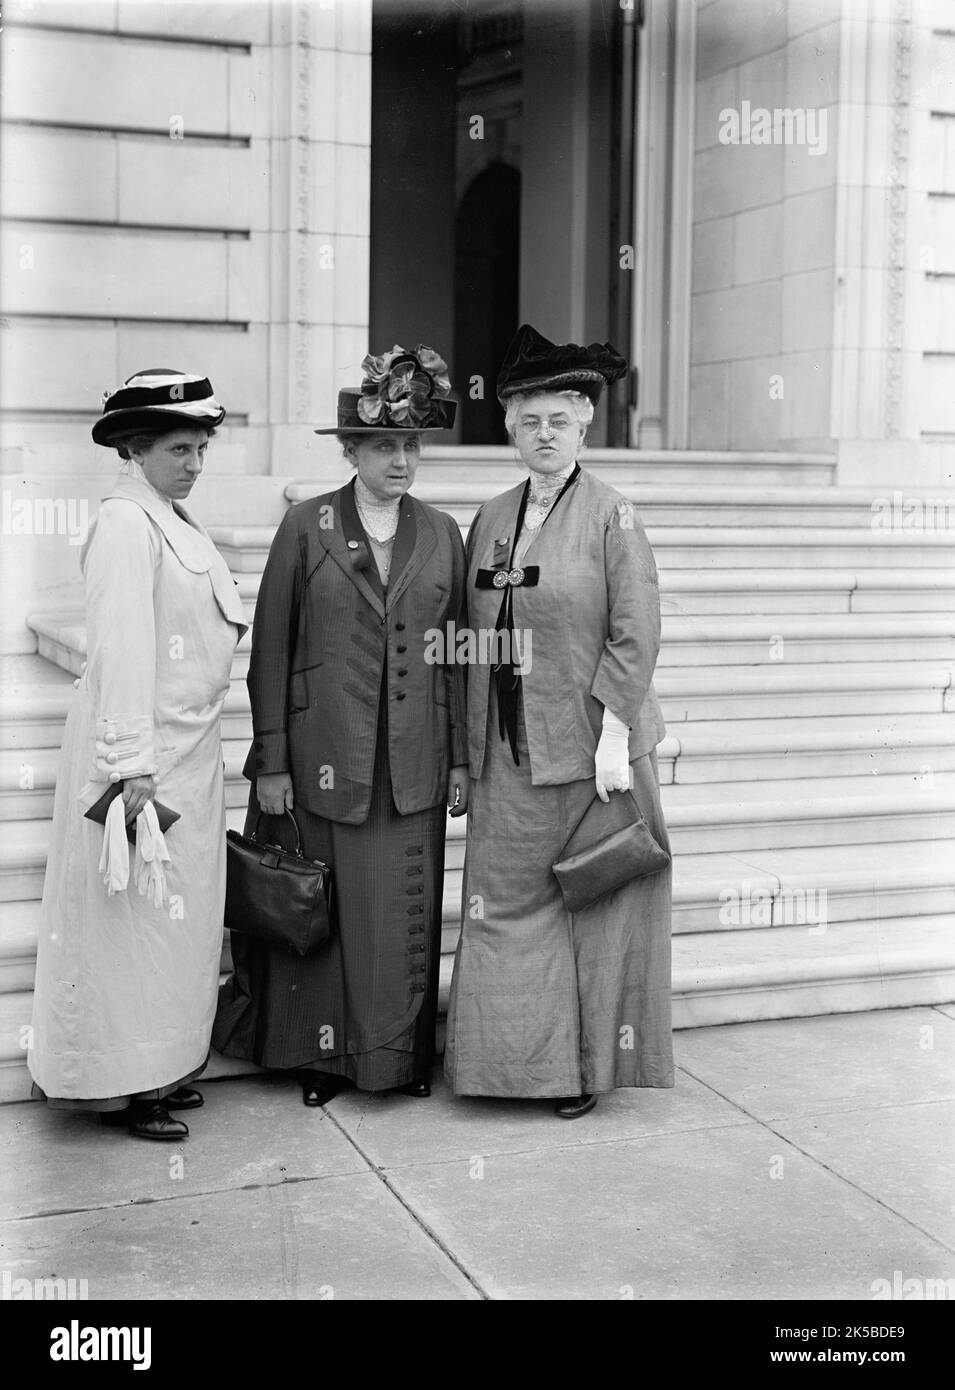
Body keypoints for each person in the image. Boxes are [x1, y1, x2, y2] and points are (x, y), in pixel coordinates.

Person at [213, 344, 469, 1105]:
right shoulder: (306, 525)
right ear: (351, 451)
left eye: (410, 446)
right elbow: (270, 648)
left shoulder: (443, 533)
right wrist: (273, 763)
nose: (400, 460)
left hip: (413, 763)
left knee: (400, 919)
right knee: (322, 919)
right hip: (324, 757)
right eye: (384, 446)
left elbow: (455, 654)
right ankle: (320, 1061)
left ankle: (395, 1061)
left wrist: (457, 761)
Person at [444, 324, 673, 1118]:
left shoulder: (614, 516)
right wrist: (459, 747)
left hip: (588, 754)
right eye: (529, 419)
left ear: (583, 427)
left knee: (586, 911)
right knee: (501, 905)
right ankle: (502, 1065)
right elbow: (467, 631)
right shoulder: (490, 517)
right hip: (504, 755)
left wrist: (614, 735)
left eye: (560, 421)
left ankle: (579, 1072)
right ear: (507, 425)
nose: (544, 435)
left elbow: (635, 631)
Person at [28, 369, 248, 1140]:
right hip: (142, 759)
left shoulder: (173, 519)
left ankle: (163, 1068)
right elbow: (120, 649)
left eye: (200, 447)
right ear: (134, 449)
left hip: (187, 751)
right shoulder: (126, 523)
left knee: (175, 930)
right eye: (179, 448)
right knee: (132, 926)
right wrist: (130, 766)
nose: (194, 462)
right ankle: (122, 1085)